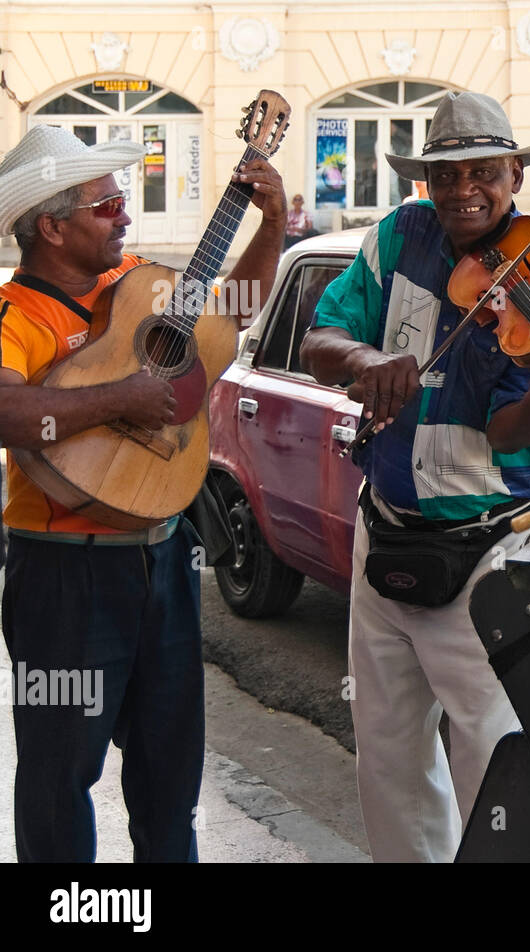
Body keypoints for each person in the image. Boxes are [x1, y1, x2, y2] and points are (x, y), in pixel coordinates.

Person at [299, 92, 530, 863]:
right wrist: (368, 362)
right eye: (446, 175)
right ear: (426, 184)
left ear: (514, 177)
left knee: (494, 755)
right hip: (387, 532)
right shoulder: (401, 236)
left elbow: (511, 434)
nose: (464, 190)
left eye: (484, 173)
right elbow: (323, 337)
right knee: (389, 757)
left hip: (491, 552)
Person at [0, 125, 285, 862]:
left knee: (169, 778)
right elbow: (7, 411)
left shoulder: (133, 285)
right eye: (107, 205)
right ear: (52, 227)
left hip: (162, 560)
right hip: (63, 573)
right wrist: (122, 395)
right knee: (60, 779)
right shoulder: (14, 317)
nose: (124, 215)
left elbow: (232, 314)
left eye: (121, 202)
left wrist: (273, 222)